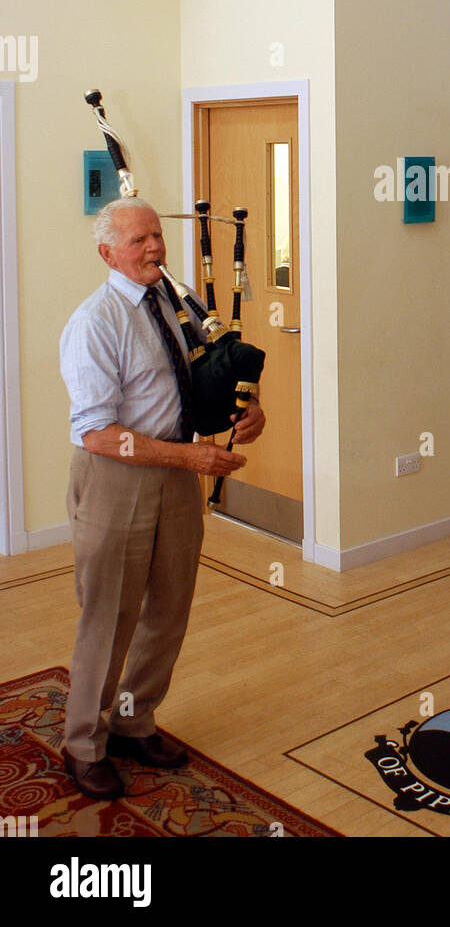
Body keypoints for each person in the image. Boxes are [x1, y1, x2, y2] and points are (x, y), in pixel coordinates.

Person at [59, 198, 265, 800]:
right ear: (107, 253)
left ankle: (131, 719)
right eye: (138, 241)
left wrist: (247, 409)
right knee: (110, 616)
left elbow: (215, 373)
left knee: (169, 607)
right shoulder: (94, 323)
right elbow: (95, 431)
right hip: (114, 477)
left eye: (156, 236)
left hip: (176, 473)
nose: (153, 248)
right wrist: (190, 458)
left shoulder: (177, 305)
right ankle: (83, 745)